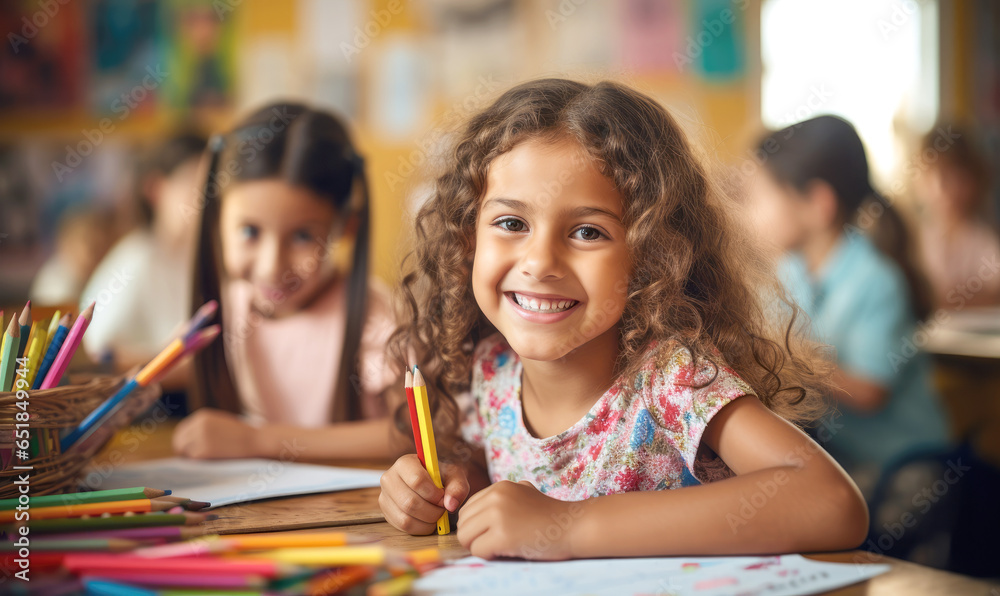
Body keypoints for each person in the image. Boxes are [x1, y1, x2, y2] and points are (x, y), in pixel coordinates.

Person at [378, 79, 868, 560]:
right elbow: (496, 478)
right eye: (511, 223)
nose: (540, 262)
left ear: (652, 256)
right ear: (468, 238)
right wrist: (446, 490)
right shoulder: (491, 369)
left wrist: (567, 527)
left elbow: (830, 502)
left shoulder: (670, 379)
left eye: (588, 232)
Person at [171, 102, 401, 461]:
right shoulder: (231, 306)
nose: (271, 267)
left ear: (345, 228)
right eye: (250, 232)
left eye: (303, 236)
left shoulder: (376, 319)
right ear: (217, 219)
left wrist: (258, 441)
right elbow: (176, 362)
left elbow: (410, 434)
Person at [749, 115, 950, 495]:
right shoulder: (787, 272)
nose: (751, 215)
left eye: (761, 198)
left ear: (818, 203)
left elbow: (870, 391)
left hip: (901, 464)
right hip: (839, 458)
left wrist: (788, 357)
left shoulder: (875, 280)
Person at [80, 133, 206, 379]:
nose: (207, 195)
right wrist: (166, 357)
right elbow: (96, 357)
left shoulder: (194, 259)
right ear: (155, 189)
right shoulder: (137, 259)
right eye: (194, 182)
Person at [914, 124, 1000, 309]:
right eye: (937, 175)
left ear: (975, 180)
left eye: (957, 176)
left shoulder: (984, 240)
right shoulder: (914, 239)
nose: (945, 188)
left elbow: (995, 292)